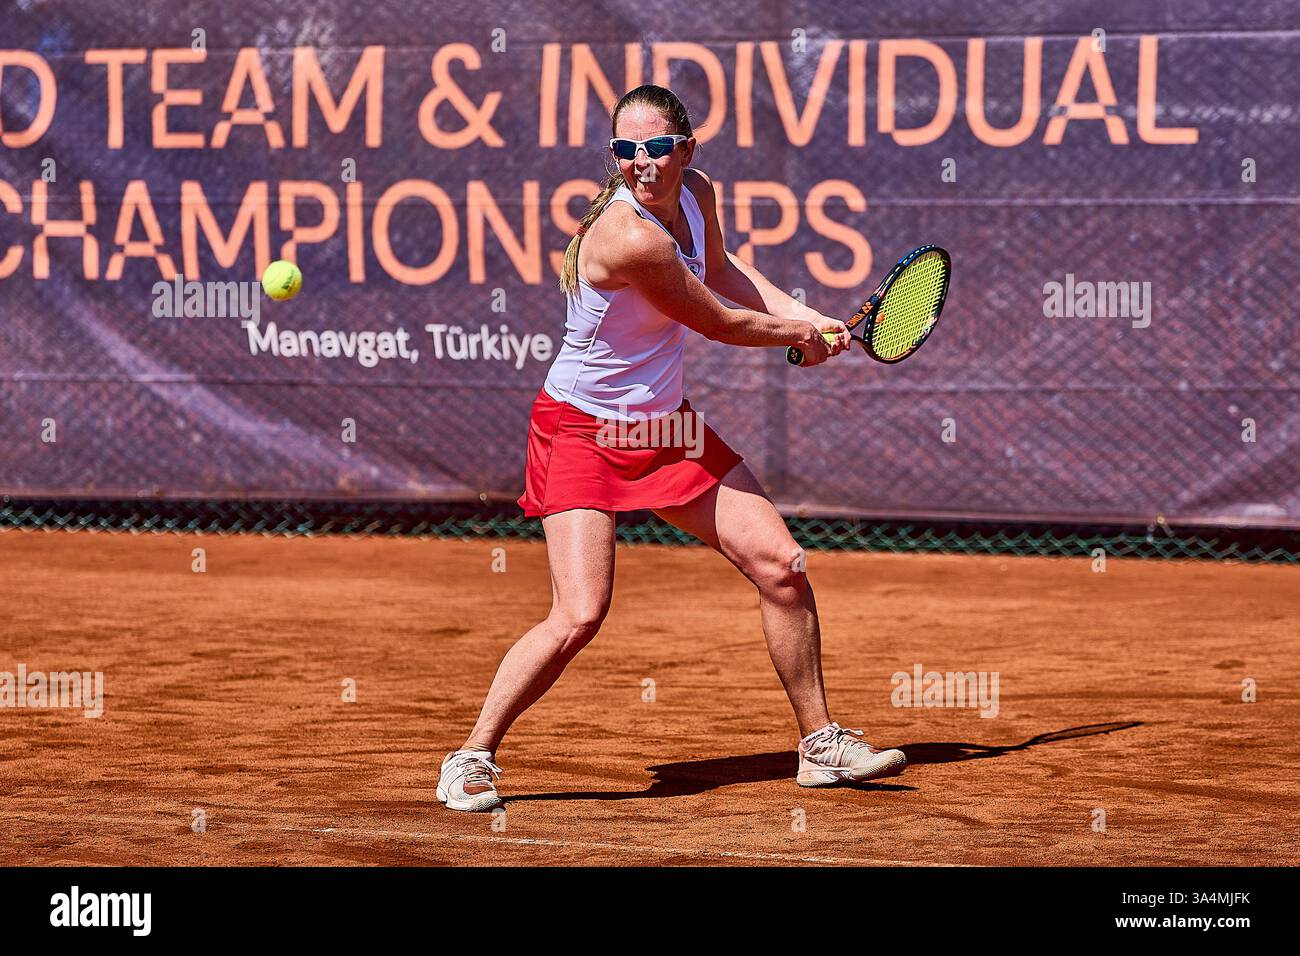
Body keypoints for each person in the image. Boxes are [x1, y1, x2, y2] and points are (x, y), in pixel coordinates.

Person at [436, 84, 906, 812]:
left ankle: (819, 746)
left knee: (781, 564)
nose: (642, 164)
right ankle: (471, 756)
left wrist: (807, 316)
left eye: (657, 148)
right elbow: (717, 319)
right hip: (582, 431)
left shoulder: (697, 194)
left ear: (686, 149)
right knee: (581, 612)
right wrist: (799, 336)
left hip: (663, 428)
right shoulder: (629, 236)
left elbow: (723, 273)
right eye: (625, 151)